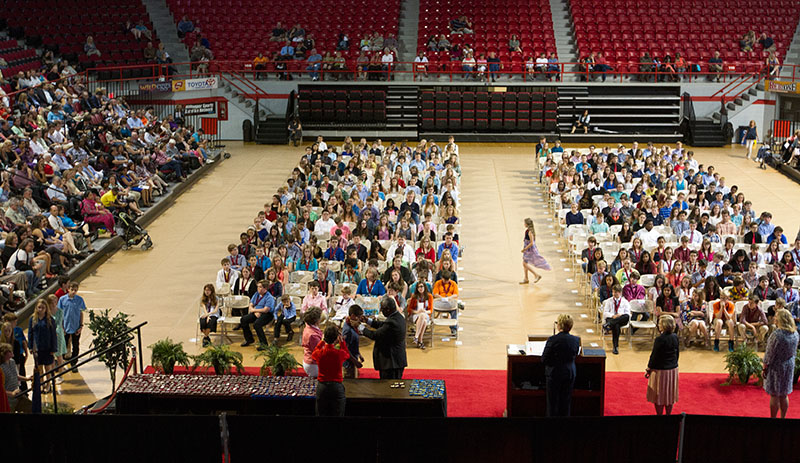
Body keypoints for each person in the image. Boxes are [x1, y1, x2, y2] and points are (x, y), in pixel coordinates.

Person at [541, 314, 581, 416]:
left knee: (552, 404)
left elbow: (544, 359)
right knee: (565, 403)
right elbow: (575, 354)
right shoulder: (576, 340)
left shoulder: (552, 340)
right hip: (570, 373)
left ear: (559, 325)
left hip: (554, 374)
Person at [763, 309, 800, 418]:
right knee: (784, 394)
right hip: (789, 366)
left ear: (781, 320)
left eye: (776, 316)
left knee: (774, 395)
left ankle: (773, 419)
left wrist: (765, 367)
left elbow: (769, 353)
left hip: (776, 367)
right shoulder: (795, 333)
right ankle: (783, 418)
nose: (774, 318)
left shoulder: (777, 335)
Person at [360, 296, 407, 379]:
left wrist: (360, 327)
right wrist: (368, 321)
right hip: (395, 360)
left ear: (388, 309)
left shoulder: (391, 322)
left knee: (388, 388)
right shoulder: (398, 317)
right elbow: (383, 325)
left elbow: (374, 335)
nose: (381, 311)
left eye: (382, 309)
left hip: (391, 363)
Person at [311, 324, 350, 416]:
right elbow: (347, 354)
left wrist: (321, 342)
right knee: (338, 415)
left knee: (321, 415)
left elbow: (314, 353)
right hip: (336, 387)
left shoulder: (320, 353)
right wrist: (342, 343)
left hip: (322, 387)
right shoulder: (339, 354)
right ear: (337, 338)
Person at [646, 315, 680, 415]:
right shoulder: (675, 337)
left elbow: (654, 356)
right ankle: (668, 415)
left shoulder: (659, 339)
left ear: (663, 326)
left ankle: (660, 417)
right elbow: (677, 353)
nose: (658, 325)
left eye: (660, 323)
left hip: (660, 371)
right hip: (672, 370)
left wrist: (649, 368)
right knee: (669, 395)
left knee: (659, 395)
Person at [239, 280, 276, 348]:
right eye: (258, 287)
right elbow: (251, 304)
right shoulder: (256, 294)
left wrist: (255, 310)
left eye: (260, 287)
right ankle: (249, 339)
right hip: (256, 312)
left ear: (265, 288)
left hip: (267, 315)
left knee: (257, 324)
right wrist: (255, 311)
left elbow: (266, 309)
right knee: (243, 319)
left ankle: (264, 344)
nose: (258, 288)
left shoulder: (269, 297)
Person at [57, 282, 85, 368]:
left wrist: (81, 326)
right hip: (65, 327)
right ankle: (64, 361)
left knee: (76, 345)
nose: (73, 292)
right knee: (64, 345)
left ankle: (74, 363)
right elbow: (60, 314)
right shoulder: (62, 299)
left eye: (75, 290)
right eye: (72, 290)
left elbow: (81, 313)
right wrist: (61, 326)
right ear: (68, 289)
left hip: (76, 326)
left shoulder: (80, 300)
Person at [520, 217, 550, 284]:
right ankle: (526, 278)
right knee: (525, 263)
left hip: (529, 250)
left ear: (527, 224)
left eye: (524, 223)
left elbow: (531, 243)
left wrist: (525, 249)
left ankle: (536, 275)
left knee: (524, 264)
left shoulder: (530, 232)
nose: (524, 224)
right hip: (527, 249)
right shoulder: (528, 230)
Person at [602, 285, 630, 354]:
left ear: (620, 293)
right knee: (616, 326)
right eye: (613, 292)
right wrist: (613, 316)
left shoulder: (625, 301)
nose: (614, 294)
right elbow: (605, 313)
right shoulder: (609, 301)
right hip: (612, 318)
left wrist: (619, 315)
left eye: (616, 292)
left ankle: (609, 324)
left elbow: (628, 313)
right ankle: (615, 347)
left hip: (621, 318)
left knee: (626, 316)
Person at [342, 305, 364, 378]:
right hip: (349, 363)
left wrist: (359, 354)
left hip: (353, 358)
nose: (360, 319)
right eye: (359, 317)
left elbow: (353, 343)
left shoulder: (352, 325)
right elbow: (345, 349)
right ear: (353, 316)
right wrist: (355, 362)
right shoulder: (348, 331)